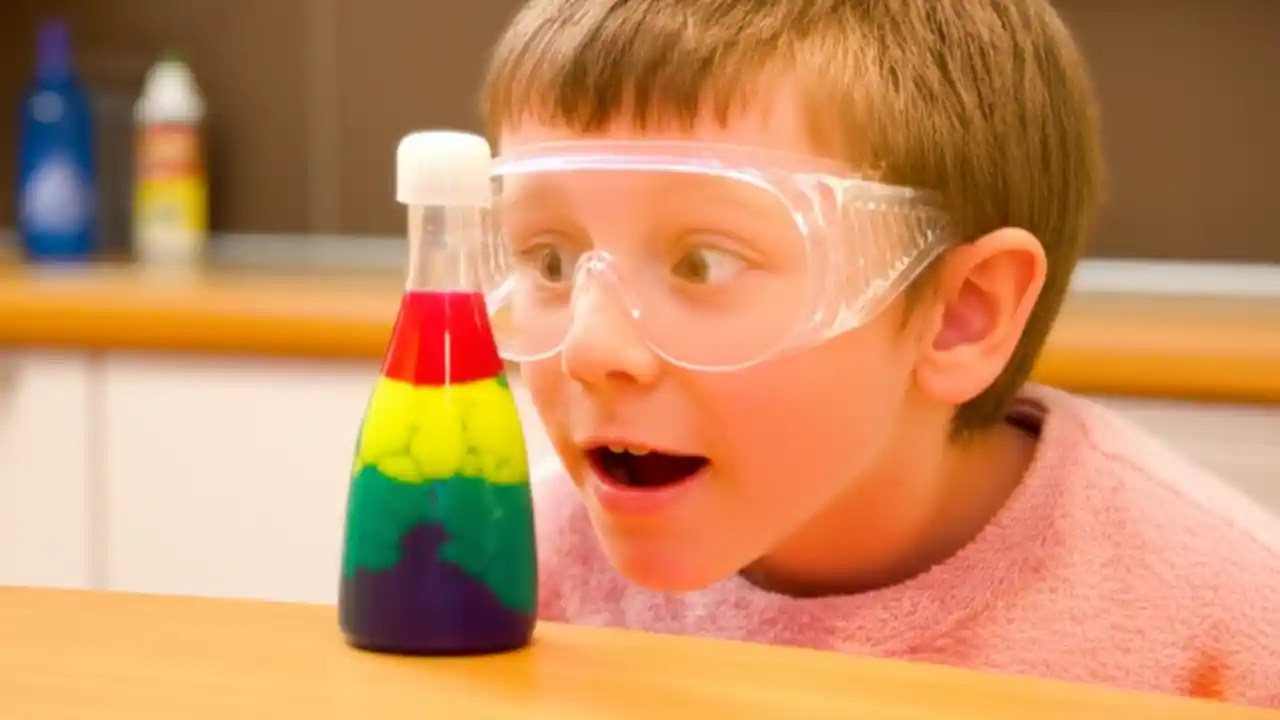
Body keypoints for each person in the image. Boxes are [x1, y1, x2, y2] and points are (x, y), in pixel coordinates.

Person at [475, 0, 1280, 707]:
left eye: (703, 263)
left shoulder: (1230, 629)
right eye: (549, 261)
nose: (590, 347)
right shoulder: (503, 566)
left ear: (960, 315)